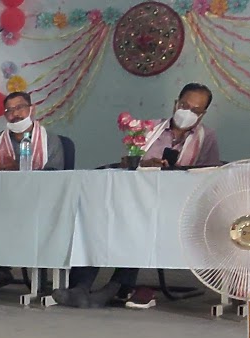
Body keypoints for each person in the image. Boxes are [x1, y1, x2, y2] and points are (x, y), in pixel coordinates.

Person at [55, 84, 222, 310]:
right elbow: (127, 162)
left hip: (174, 207)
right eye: (184, 105)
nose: (187, 112)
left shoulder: (206, 138)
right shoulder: (149, 128)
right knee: (99, 218)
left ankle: (114, 288)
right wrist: (145, 163)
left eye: (195, 110)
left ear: (202, 114)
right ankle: (81, 286)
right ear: (176, 104)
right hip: (135, 198)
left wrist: (178, 171)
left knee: (140, 226)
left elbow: (210, 175)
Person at [0, 92, 66, 295]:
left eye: (19, 108)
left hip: (37, 205)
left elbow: (56, 177)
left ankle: (20, 275)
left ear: (32, 109)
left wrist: (17, 167)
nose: (14, 114)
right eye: (9, 110)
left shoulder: (50, 140)